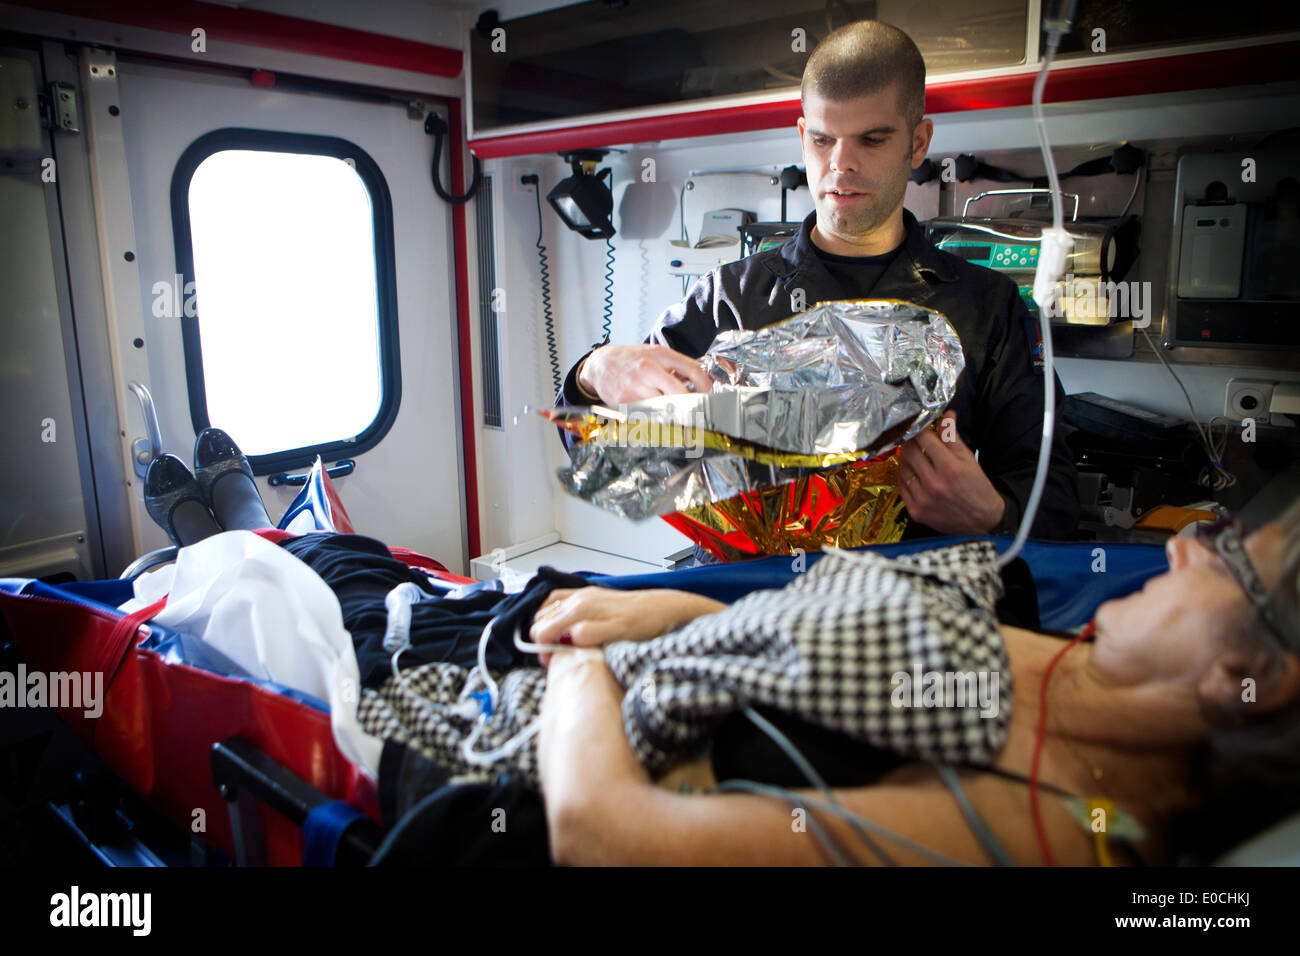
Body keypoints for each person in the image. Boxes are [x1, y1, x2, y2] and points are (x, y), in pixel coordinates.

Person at [531, 501, 1300, 865]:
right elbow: (812, 656)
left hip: (544, 758)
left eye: (1229, 559)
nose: (1183, 551)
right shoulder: (1066, 664)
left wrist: (576, 665)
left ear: (1248, 680)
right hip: (622, 665)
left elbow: (603, 836)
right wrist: (677, 611)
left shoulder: (1049, 826)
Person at [555, 20, 1080, 545]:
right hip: (751, 603)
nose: (840, 165)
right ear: (803, 138)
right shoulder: (727, 300)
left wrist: (994, 514)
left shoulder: (988, 308)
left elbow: (1054, 497)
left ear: (918, 143)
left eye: (872, 140)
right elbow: (614, 457)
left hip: (915, 609)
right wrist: (592, 371)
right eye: (824, 140)